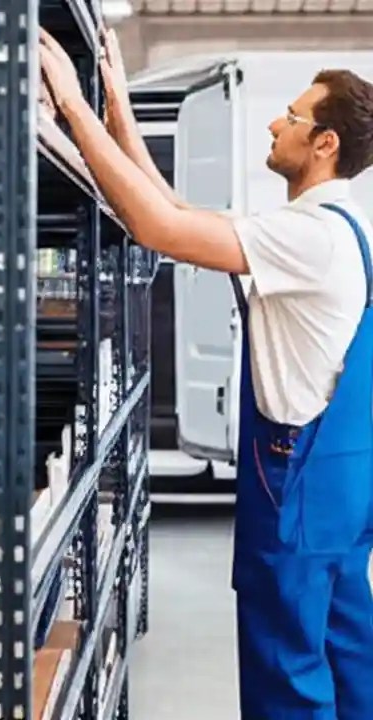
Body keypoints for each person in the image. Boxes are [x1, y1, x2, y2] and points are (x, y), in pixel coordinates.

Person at [41, 29, 373, 719]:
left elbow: (156, 228)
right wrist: (119, 111)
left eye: (293, 116)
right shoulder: (330, 227)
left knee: (288, 671)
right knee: (346, 659)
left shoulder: (307, 238)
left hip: (297, 489)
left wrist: (71, 104)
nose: (276, 124)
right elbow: (177, 211)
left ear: (325, 144)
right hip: (337, 489)